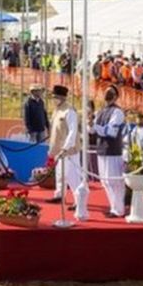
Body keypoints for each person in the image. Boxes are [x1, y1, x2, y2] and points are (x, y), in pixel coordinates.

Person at [47, 85, 87, 219]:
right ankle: (59, 194)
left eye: (55, 97)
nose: (53, 100)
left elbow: (72, 131)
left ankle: (78, 201)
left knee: (71, 175)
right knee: (60, 174)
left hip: (69, 150)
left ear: (61, 97)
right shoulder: (57, 110)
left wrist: (66, 147)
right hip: (58, 149)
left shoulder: (70, 111)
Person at [93, 86, 127, 217]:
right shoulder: (101, 111)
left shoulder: (117, 112)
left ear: (115, 96)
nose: (107, 94)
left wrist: (95, 126)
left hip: (113, 150)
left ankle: (118, 209)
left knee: (114, 181)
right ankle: (113, 206)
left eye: (110, 92)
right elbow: (93, 130)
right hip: (101, 149)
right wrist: (90, 125)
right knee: (105, 180)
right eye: (106, 91)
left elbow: (111, 132)